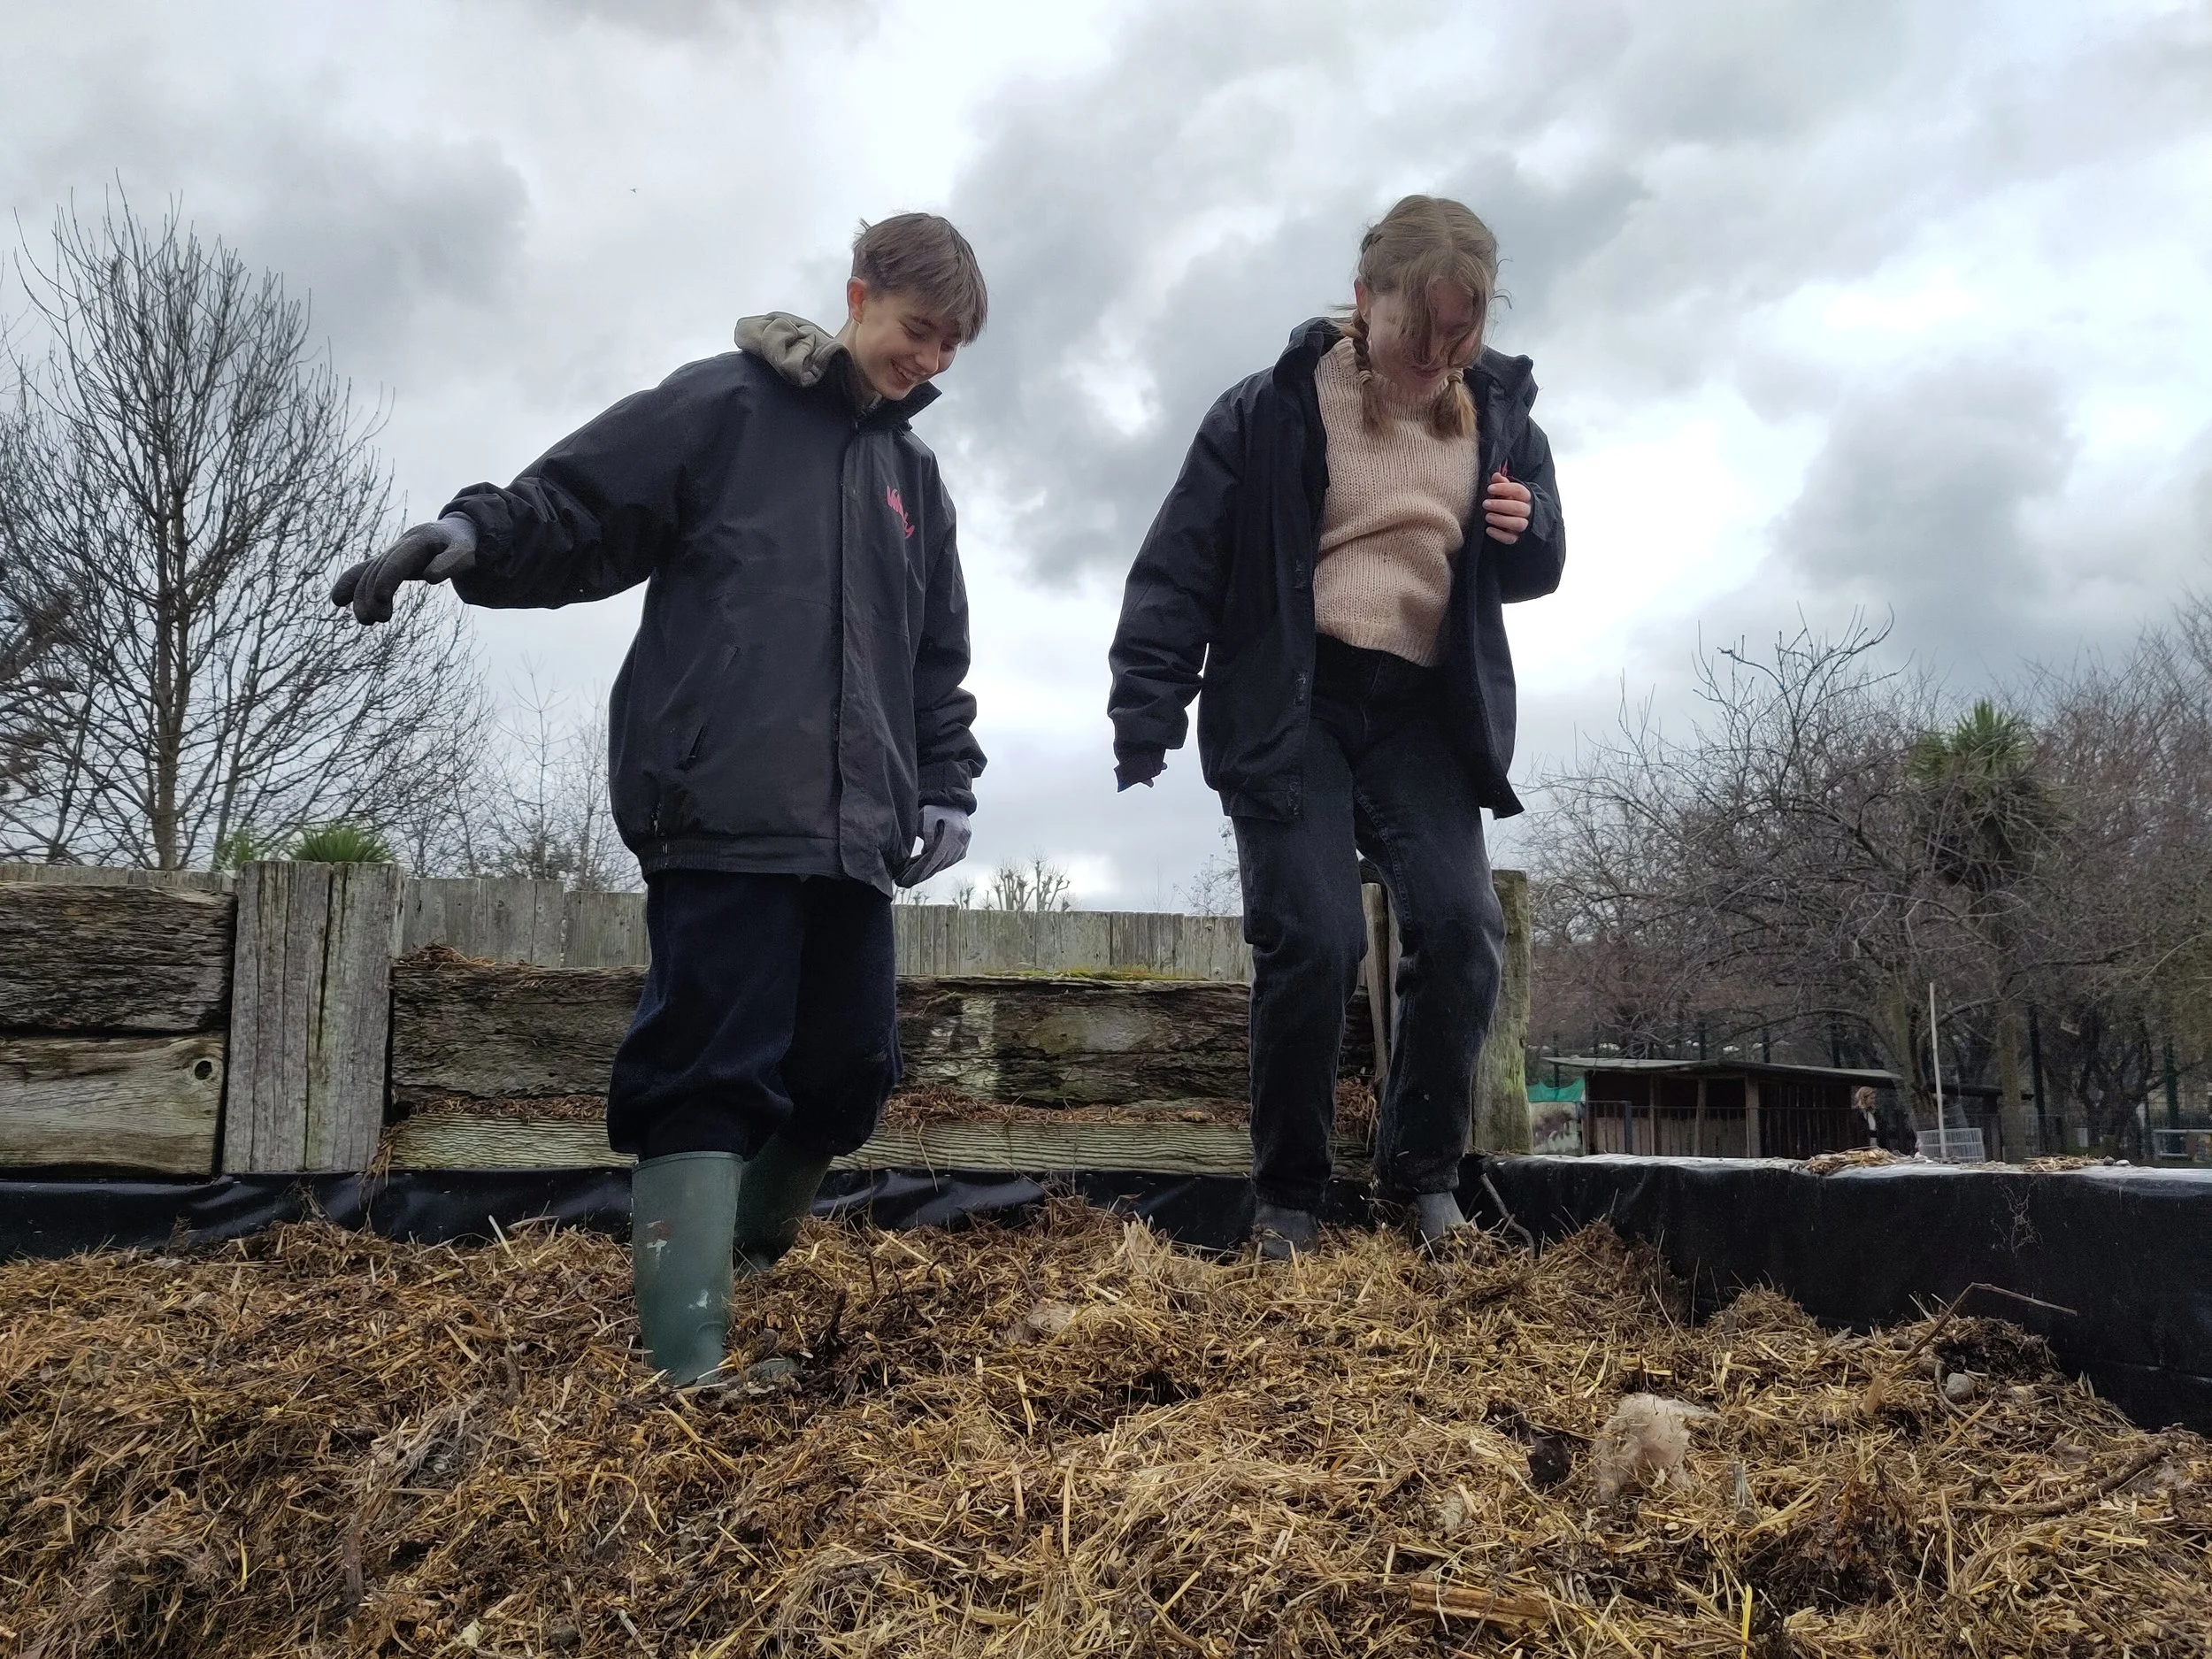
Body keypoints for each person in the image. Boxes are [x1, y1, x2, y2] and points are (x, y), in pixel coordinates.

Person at [334, 214, 989, 1381]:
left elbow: (934, 658)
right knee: (710, 1068)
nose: (929, 359)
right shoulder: (724, 409)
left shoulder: (912, 481)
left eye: (952, 346)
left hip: (853, 830)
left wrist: (947, 786)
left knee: (849, 1071)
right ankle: (688, 1355)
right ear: (859, 294)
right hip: (722, 798)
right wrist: (469, 532)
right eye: (918, 329)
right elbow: (581, 502)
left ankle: (727, 1260)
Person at [1107, 196, 1563, 1258]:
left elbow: (1536, 563)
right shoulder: (1268, 411)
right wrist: (1148, 708)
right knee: (1311, 940)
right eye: (1417, 335)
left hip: (1420, 712)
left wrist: (1528, 528)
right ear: (1366, 301)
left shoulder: (1501, 414)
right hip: (1295, 699)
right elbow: (1179, 565)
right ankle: (1290, 1200)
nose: (1435, 361)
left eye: (1461, 338)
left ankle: (1424, 1176)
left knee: (1461, 931)